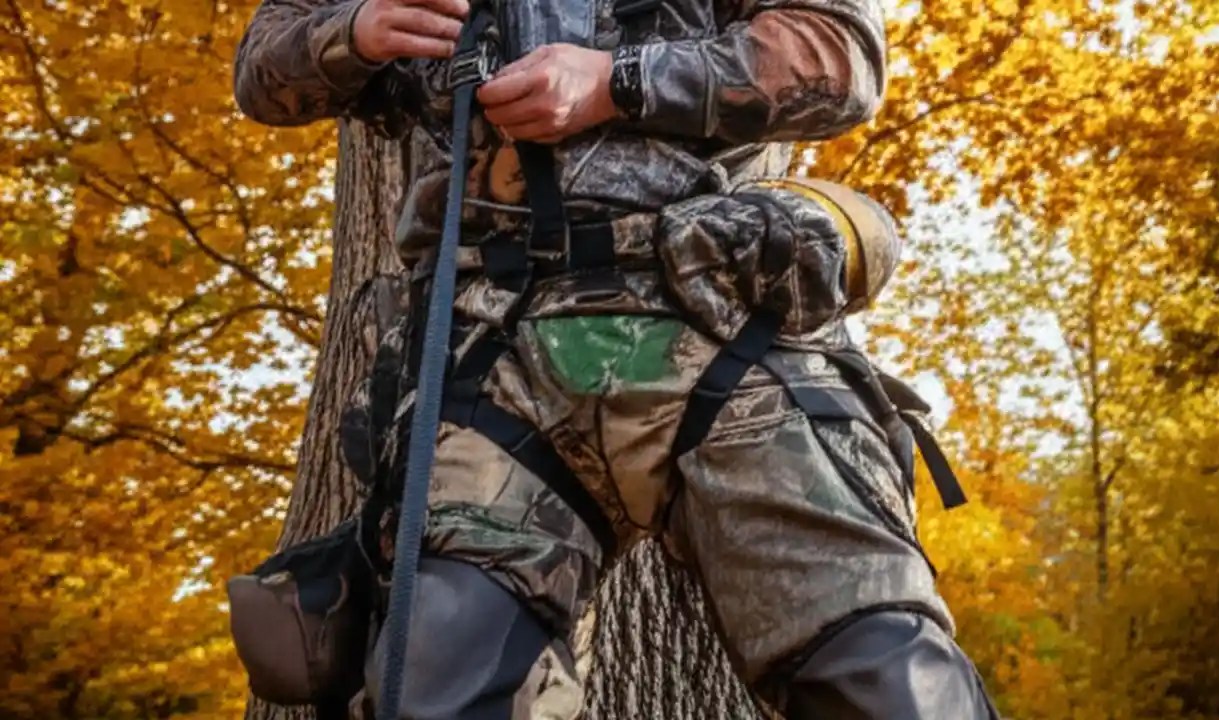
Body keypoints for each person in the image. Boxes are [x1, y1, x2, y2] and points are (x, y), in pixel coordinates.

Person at [233, 0, 1000, 717]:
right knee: (435, 680)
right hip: (497, 354)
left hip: (720, 327)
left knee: (883, 673)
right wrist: (361, 28)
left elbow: (839, 57)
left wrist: (615, 84)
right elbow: (266, 63)